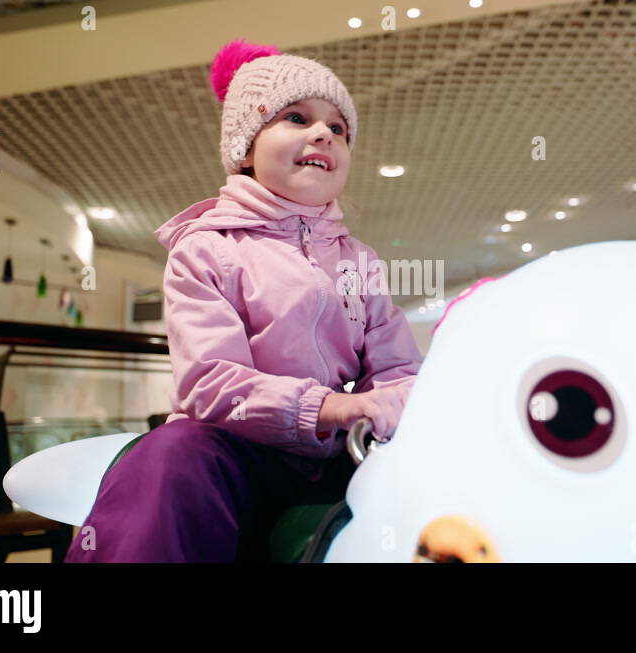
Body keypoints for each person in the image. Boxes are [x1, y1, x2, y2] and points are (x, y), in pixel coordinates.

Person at [65, 39, 423, 562]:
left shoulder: (359, 260)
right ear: (245, 146)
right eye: (296, 117)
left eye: (338, 128)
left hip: (330, 456)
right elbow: (210, 382)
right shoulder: (206, 248)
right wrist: (331, 406)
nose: (323, 132)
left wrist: (400, 404)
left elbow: (396, 368)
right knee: (171, 451)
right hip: (232, 456)